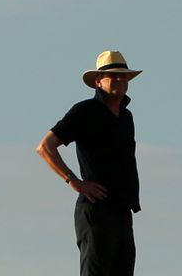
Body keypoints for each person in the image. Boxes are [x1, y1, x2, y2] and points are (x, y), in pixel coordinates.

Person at [37, 50, 143, 276]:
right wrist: (74, 181)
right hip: (96, 210)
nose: (119, 80)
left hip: (123, 211)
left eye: (123, 76)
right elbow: (45, 147)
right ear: (98, 81)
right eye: (113, 75)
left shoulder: (126, 118)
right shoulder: (85, 111)